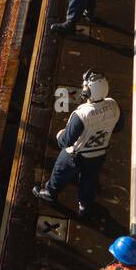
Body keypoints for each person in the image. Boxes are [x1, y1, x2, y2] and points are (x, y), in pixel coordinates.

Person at [31, 70, 120, 218]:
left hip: (76, 155)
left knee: (59, 171)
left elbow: (65, 142)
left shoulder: (82, 114)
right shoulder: (113, 105)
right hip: (98, 155)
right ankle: (84, 206)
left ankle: (50, 193)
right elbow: (118, 127)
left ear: (88, 91)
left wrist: (60, 135)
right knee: (89, 180)